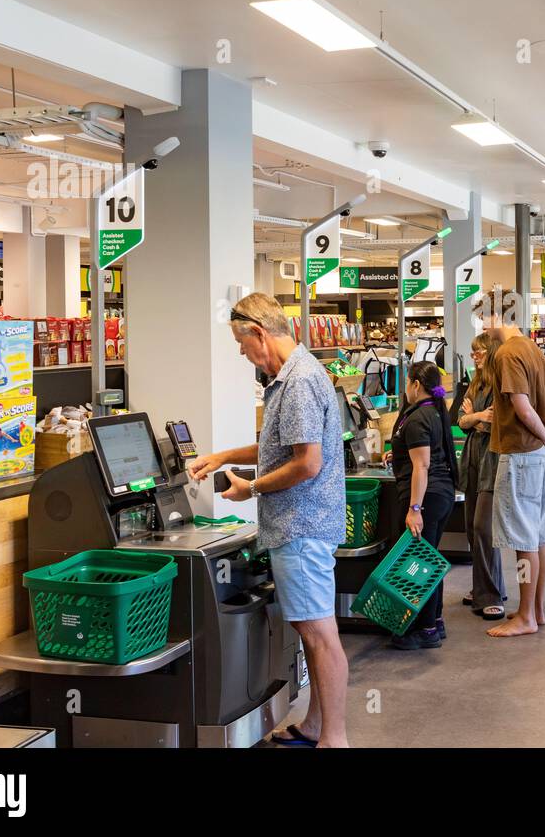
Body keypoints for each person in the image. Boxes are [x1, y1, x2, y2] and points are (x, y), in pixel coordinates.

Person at [187, 292, 349, 748]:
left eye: (243, 346)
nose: (244, 355)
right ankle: (318, 725)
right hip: (304, 526)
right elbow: (280, 448)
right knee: (313, 631)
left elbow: (306, 464)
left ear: (259, 333)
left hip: (301, 526)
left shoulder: (296, 383)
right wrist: (221, 456)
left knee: (319, 635)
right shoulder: (296, 375)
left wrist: (250, 488)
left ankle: (335, 739)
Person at [482, 289, 545, 637]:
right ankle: (536, 610)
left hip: (519, 455)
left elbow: (524, 407)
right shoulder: (534, 349)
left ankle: (525, 618)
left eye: (483, 315)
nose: (483, 324)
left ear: (498, 315)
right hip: (537, 456)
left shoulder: (506, 353)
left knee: (522, 540)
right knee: (537, 536)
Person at [384, 360, 460, 649]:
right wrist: (398, 455)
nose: (405, 389)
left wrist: (414, 509)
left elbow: (423, 465)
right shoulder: (433, 411)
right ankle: (434, 622)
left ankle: (422, 629)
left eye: (406, 383)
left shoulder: (416, 418)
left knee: (418, 564)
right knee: (428, 560)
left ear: (416, 385)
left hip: (426, 498)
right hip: (442, 495)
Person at [458, 333, 506, 620]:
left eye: (479, 353)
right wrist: (476, 417)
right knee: (470, 527)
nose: (474, 357)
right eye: (473, 352)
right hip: (473, 460)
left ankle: (490, 594)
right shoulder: (475, 385)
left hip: (492, 460)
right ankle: (485, 587)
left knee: (483, 528)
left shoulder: (500, 385)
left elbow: (495, 424)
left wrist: (473, 418)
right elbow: (462, 421)